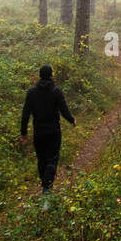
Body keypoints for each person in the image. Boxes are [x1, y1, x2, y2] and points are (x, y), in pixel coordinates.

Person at [19, 64, 76, 197]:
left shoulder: (31, 93)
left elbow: (25, 114)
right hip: (54, 132)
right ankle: (46, 189)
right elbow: (63, 109)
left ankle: (45, 186)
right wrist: (71, 120)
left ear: (39, 75)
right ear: (51, 75)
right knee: (53, 159)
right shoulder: (56, 91)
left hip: (38, 133)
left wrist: (23, 133)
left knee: (41, 160)